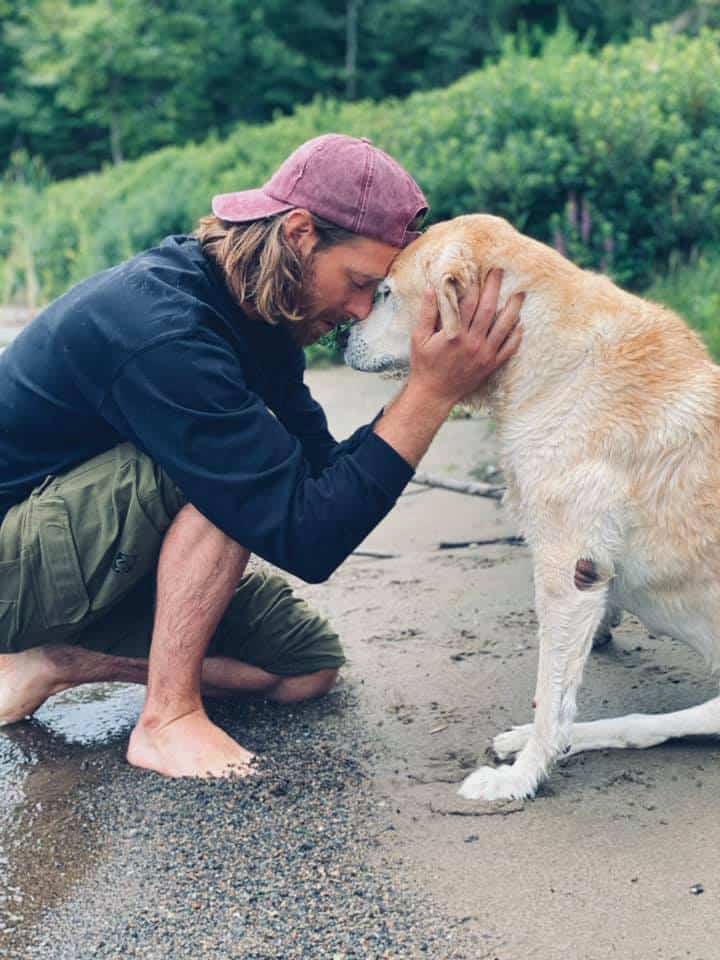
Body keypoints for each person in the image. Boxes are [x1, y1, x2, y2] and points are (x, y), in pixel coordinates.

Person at [0, 134, 523, 778]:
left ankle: (56, 661)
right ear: (300, 233)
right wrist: (430, 394)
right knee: (222, 472)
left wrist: (428, 390)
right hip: (12, 563)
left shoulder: (260, 316)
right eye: (360, 283)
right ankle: (167, 720)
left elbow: (321, 487)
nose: (361, 310)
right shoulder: (162, 331)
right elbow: (303, 536)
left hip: (85, 565)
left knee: (304, 669)